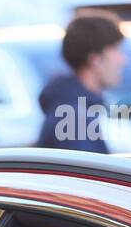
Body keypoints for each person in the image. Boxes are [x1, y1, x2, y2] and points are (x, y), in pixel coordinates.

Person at [37, 14, 126, 153]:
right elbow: (95, 172)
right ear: (95, 60)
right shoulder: (73, 119)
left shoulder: (75, 109)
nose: (123, 60)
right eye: (116, 50)